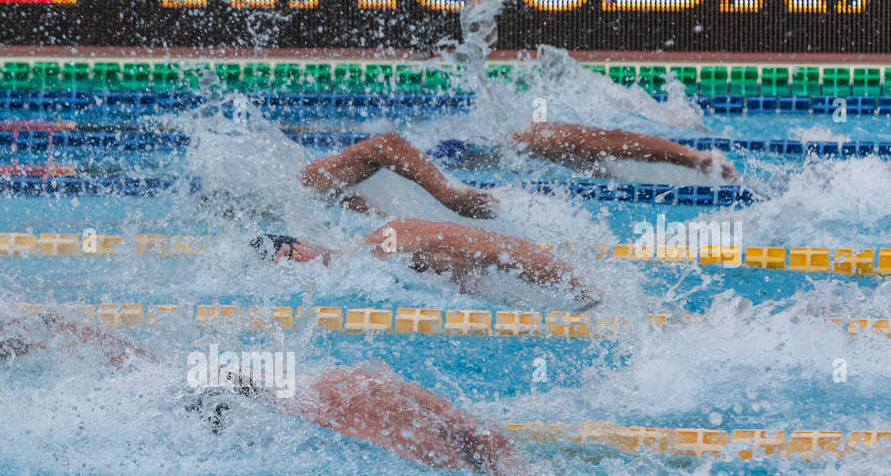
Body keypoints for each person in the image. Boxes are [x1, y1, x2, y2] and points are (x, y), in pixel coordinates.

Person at [0, 313, 541, 476]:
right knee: (501, 466)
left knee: (478, 467)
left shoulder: (131, 379)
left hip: (320, 403)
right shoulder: (144, 374)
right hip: (326, 392)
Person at [297, 127, 738, 221]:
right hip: (461, 176)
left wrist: (448, 193)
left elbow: (385, 145)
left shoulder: (301, 183)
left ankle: (694, 158)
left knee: (538, 137)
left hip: (449, 158)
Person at [251, 218, 601, 309]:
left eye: (292, 257)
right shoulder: (357, 280)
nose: (296, 269)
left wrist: (585, 290)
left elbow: (498, 248)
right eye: (285, 270)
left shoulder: (385, 240)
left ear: (305, 243)